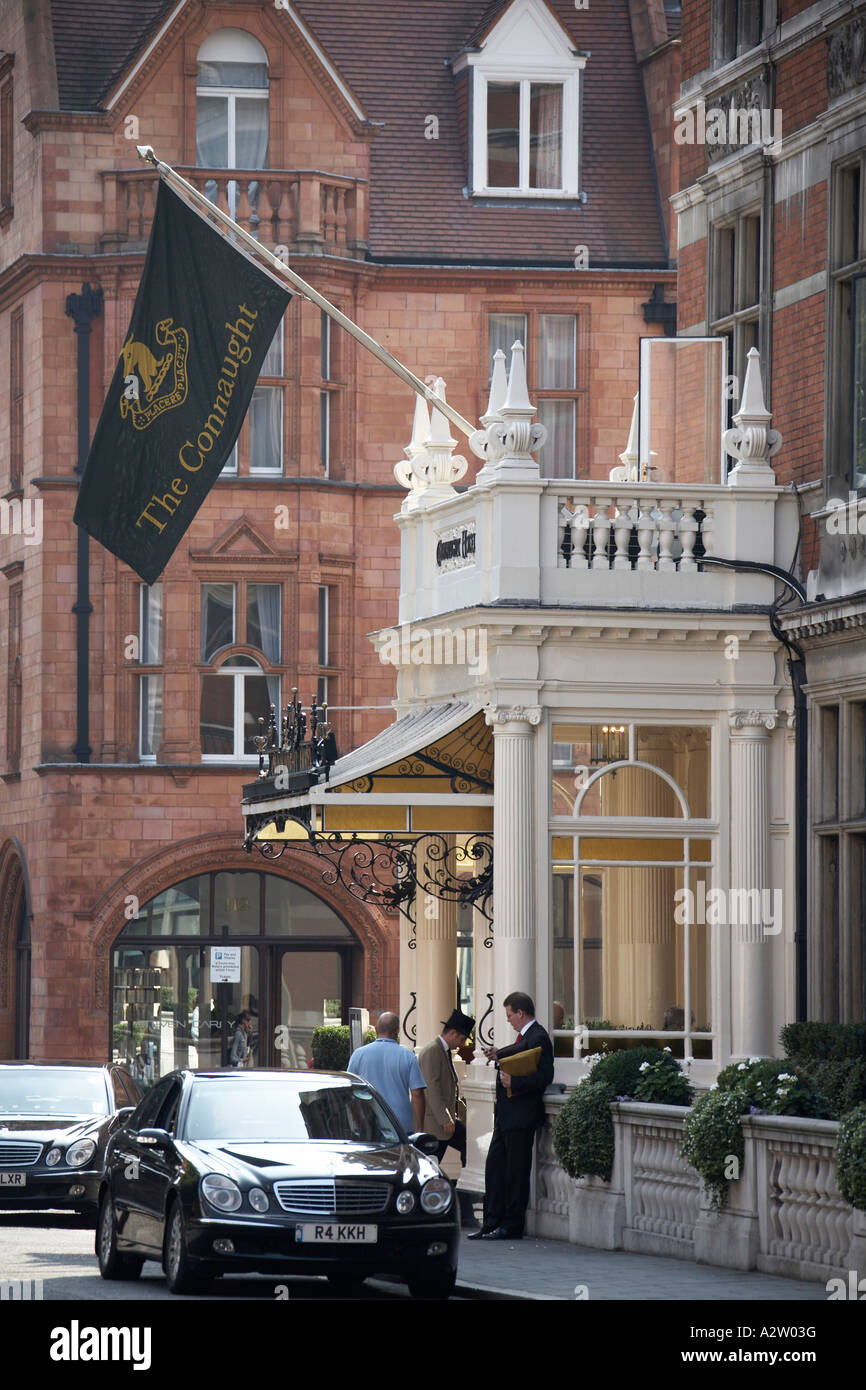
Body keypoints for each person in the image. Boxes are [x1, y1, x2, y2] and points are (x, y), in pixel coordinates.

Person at [468, 990, 554, 1241]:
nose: (508, 1020)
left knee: (516, 1172)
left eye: (509, 1015)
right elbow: (518, 1051)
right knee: (495, 1167)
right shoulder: (527, 1037)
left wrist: (513, 1082)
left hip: (522, 1116)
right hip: (506, 1116)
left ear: (521, 1013)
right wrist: (498, 1055)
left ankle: (511, 1225)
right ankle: (491, 1222)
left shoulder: (540, 1037)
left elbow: (544, 1077)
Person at [346, 1011, 426, 1133]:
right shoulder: (408, 1056)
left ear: (376, 1029)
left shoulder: (358, 1054)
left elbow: (350, 1090)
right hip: (399, 1123)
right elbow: (417, 1094)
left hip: (367, 1121)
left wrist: (356, 1120)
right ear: (397, 1031)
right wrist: (420, 1127)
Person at [417, 1007, 475, 1167]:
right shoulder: (433, 1051)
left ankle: (459, 1180)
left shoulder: (442, 1050)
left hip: (444, 1121)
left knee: (462, 1144)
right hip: (436, 1123)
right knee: (433, 1166)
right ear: (453, 1033)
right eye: (462, 1039)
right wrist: (445, 1118)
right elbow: (431, 1087)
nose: (462, 1044)